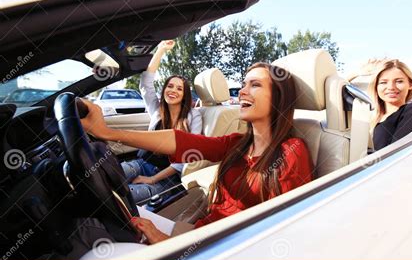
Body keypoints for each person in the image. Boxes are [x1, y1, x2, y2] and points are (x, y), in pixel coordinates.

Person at [81, 62, 314, 245]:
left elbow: (274, 234)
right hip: (200, 233)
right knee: (100, 222)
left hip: (218, 249)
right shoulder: (238, 143)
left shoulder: (291, 151)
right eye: (243, 84)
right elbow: (180, 140)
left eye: (255, 85)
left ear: (278, 98)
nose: (242, 91)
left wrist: (168, 243)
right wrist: (107, 133)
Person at [120, 40, 202, 203]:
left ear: (185, 95)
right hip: (142, 163)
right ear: (164, 89)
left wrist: (152, 179)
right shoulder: (157, 109)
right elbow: (145, 85)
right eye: (170, 86)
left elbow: (185, 158)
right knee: (106, 175)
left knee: (122, 198)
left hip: (166, 179)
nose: (173, 91)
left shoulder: (194, 116)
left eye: (179, 89)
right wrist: (161, 49)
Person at [368, 59, 412, 151]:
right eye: (383, 82)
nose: (391, 87)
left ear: (411, 84)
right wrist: (356, 74)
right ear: (376, 87)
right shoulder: (370, 116)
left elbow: (397, 152)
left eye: (399, 81)